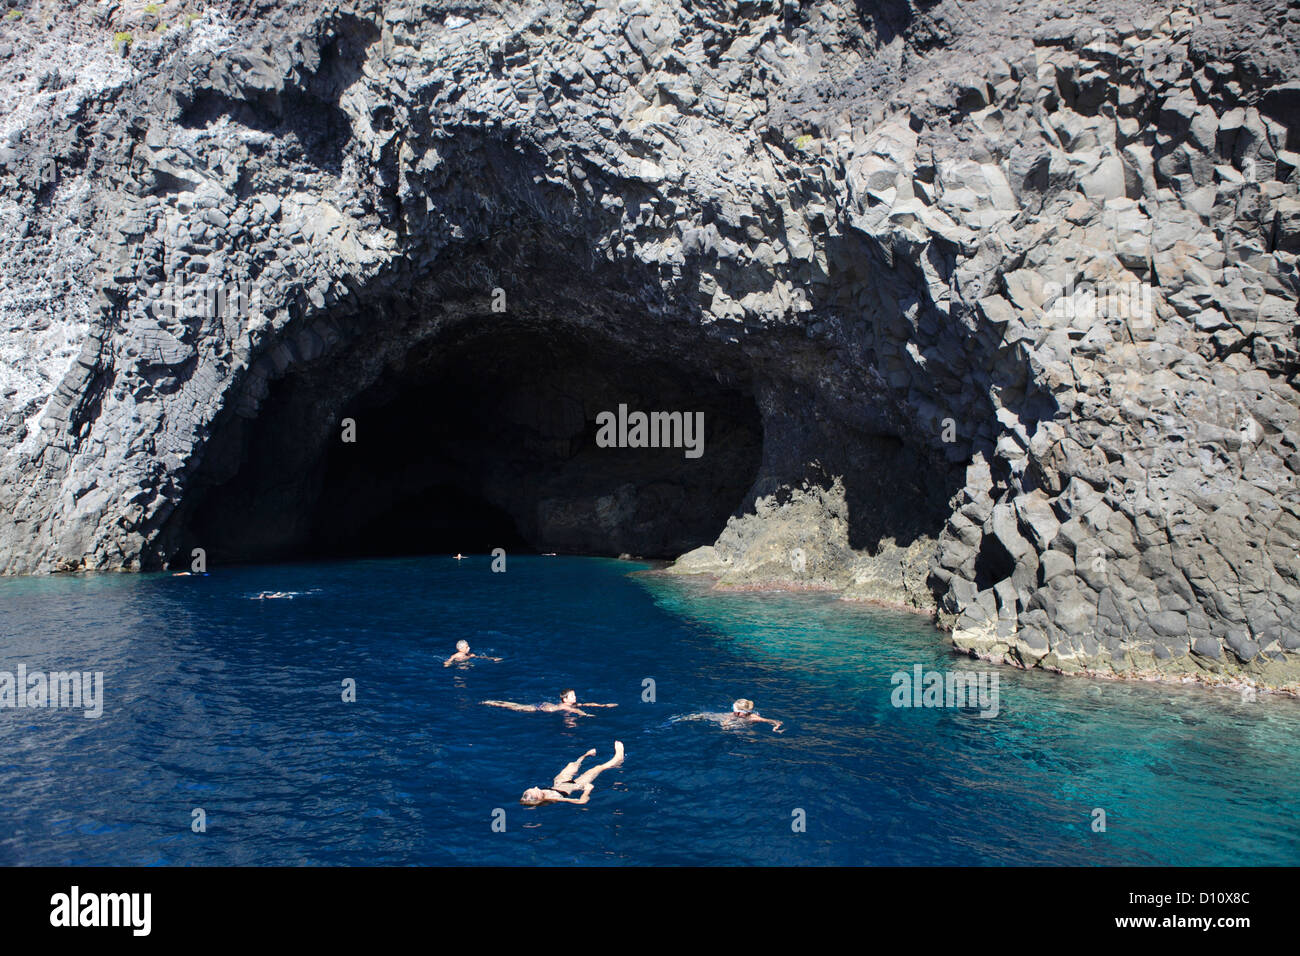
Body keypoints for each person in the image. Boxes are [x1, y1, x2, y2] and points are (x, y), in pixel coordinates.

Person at [520, 741, 625, 806]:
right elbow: (581, 802)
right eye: (535, 790)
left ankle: (587, 755)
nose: (536, 787)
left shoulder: (537, 795)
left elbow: (526, 801)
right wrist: (587, 791)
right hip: (574, 786)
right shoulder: (553, 798)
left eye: (532, 788)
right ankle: (618, 758)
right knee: (597, 768)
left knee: (572, 765)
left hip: (559, 783)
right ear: (539, 798)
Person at [481, 689, 616, 717]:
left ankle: (495, 702)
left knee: (517, 706)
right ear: (565, 699)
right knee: (516, 707)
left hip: (545, 705)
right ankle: (494, 702)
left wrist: (603, 706)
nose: (575, 697)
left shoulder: (571, 704)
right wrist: (586, 715)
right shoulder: (565, 706)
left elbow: (585, 704)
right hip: (540, 708)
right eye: (572, 696)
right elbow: (576, 711)